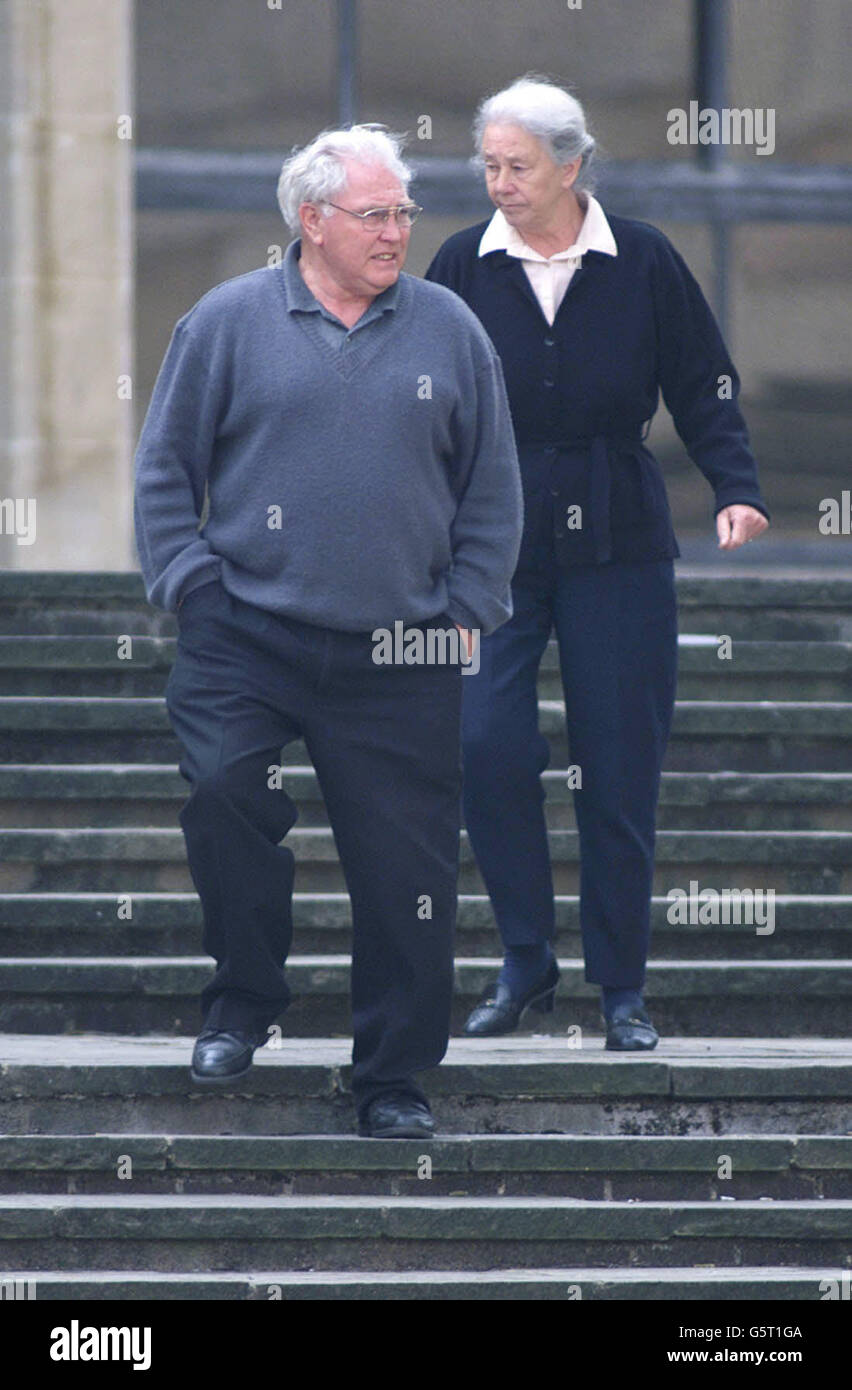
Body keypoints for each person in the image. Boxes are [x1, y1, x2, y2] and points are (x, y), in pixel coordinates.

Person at [133, 125, 523, 1137]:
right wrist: (192, 584)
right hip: (244, 635)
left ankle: (391, 1074)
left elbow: (492, 487)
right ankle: (242, 1002)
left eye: (403, 212)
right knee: (224, 798)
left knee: (408, 873)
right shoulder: (225, 322)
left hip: (404, 645)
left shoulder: (450, 330)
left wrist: (466, 607)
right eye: (376, 213)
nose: (397, 230)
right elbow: (165, 468)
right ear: (312, 220)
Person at [425, 76, 770, 1050]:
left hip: (619, 543)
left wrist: (735, 486)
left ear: (572, 166)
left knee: (618, 769)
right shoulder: (461, 264)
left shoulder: (644, 260)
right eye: (488, 165)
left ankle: (622, 988)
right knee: (486, 746)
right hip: (493, 549)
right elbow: (425, 407)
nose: (499, 183)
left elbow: (703, 383)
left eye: (518, 166)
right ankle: (526, 959)